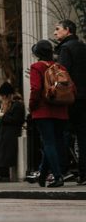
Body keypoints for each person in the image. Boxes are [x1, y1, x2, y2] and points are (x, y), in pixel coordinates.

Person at [28, 40, 69, 188]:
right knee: (54, 143)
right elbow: (72, 88)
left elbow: (36, 89)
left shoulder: (36, 67)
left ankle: (58, 176)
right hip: (61, 110)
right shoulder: (60, 67)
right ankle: (43, 174)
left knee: (49, 143)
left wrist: (32, 106)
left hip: (43, 111)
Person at [54, 20, 86, 184]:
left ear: (68, 30)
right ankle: (84, 173)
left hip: (71, 98)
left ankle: (63, 170)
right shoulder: (82, 46)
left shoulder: (66, 49)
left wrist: (54, 93)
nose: (55, 33)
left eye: (58, 29)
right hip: (84, 97)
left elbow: (62, 76)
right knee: (83, 136)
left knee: (63, 134)